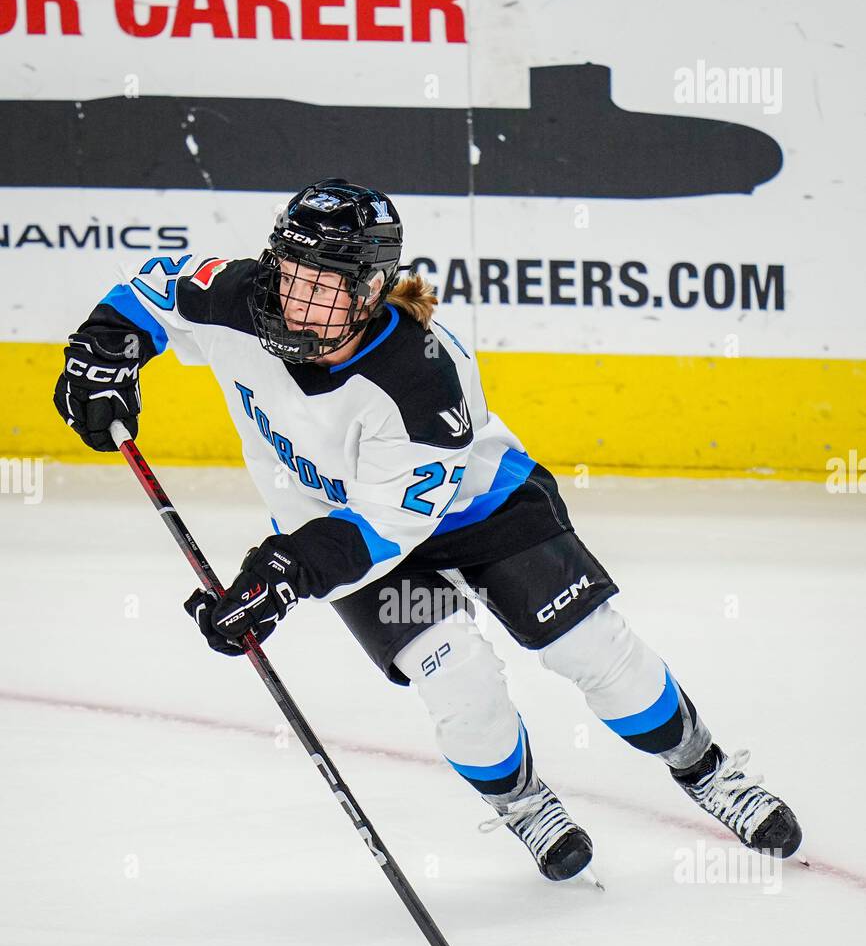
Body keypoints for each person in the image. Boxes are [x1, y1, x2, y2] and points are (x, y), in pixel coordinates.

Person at [54, 177, 802, 881]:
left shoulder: (422, 380)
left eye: (322, 288)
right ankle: (521, 803)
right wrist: (103, 352)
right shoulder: (238, 296)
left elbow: (386, 528)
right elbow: (149, 291)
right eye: (289, 273)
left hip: (474, 512)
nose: (294, 302)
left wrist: (280, 574)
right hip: (336, 528)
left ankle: (706, 769)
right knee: (459, 678)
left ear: (371, 290)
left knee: (593, 650)